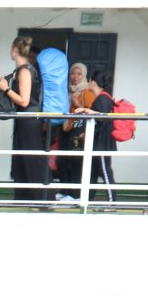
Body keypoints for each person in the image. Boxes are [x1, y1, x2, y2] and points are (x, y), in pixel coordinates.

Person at [0, 36, 50, 203]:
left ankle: (42, 198)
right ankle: (26, 197)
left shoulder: (25, 71)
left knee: (32, 158)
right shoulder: (23, 70)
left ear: (14, 50)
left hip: (29, 120)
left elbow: (24, 100)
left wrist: (5, 89)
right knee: (24, 158)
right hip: (25, 120)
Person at [73, 70, 118, 205]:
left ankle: (112, 202)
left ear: (93, 82)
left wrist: (87, 110)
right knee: (91, 171)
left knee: (105, 171)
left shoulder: (102, 98)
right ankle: (87, 199)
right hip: (98, 142)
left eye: (89, 80)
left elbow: (102, 117)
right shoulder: (103, 97)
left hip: (102, 143)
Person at [57, 62, 96, 198]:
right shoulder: (66, 90)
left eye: (79, 74)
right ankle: (65, 191)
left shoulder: (87, 91)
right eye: (73, 73)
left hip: (78, 130)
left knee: (76, 162)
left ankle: (75, 194)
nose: (75, 77)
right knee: (63, 161)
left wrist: (77, 104)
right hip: (66, 128)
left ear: (84, 75)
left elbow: (92, 111)